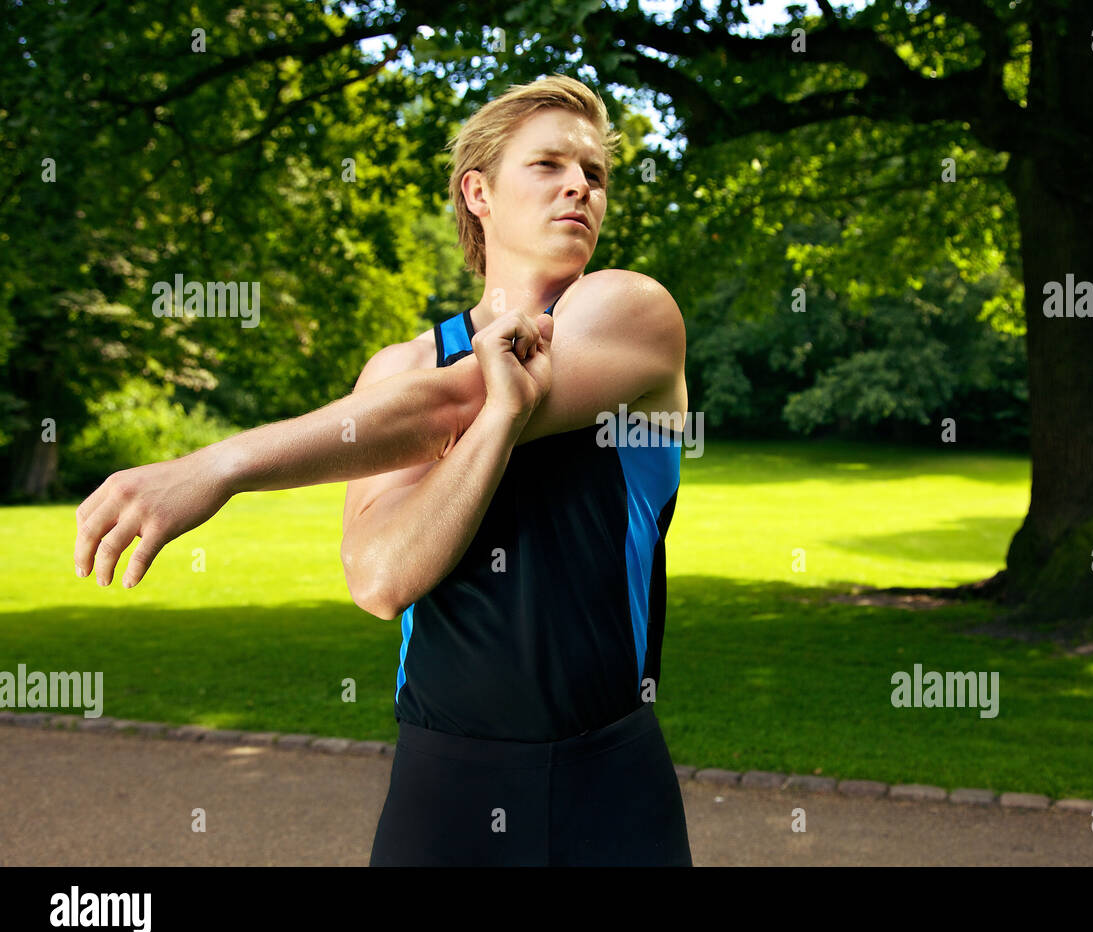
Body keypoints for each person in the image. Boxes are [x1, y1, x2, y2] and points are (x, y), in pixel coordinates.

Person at [72, 74, 692, 865]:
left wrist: (219, 466)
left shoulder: (634, 311)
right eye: (548, 165)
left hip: (611, 780)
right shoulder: (401, 365)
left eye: (596, 175)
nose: (580, 185)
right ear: (479, 192)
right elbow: (381, 579)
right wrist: (501, 418)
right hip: (445, 785)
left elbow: (444, 405)